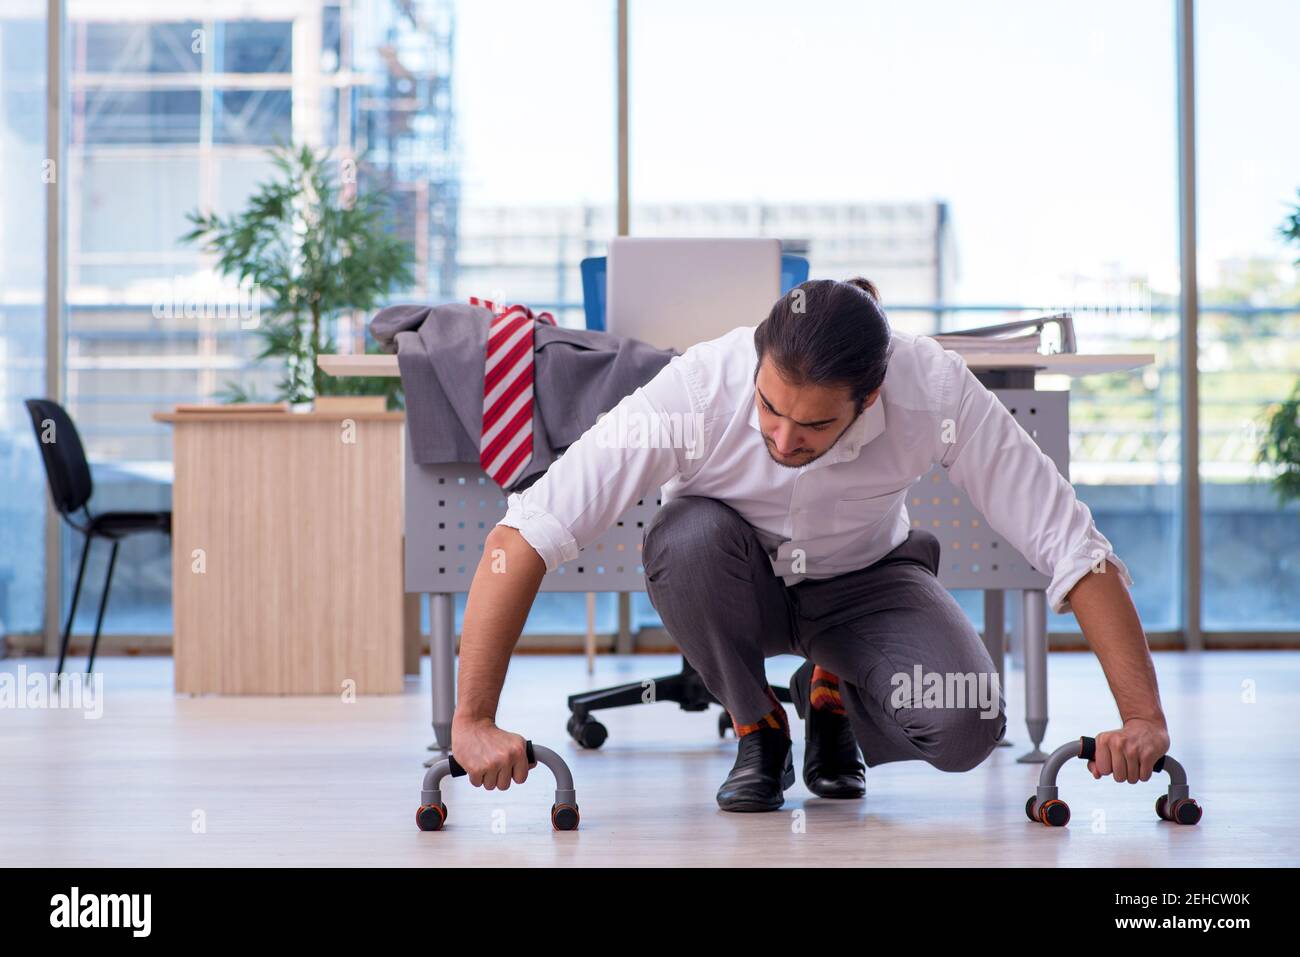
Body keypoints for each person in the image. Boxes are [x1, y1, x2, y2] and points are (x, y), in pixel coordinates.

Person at [449, 277, 1169, 812]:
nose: (782, 438)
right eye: (769, 407)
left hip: (863, 580)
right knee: (685, 533)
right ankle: (755, 721)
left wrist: (1143, 718)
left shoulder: (934, 390)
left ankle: (830, 691)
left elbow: (1074, 545)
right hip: (729, 579)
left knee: (968, 722)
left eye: (815, 426)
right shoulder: (698, 388)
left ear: (872, 395)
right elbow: (522, 536)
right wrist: (472, 719)